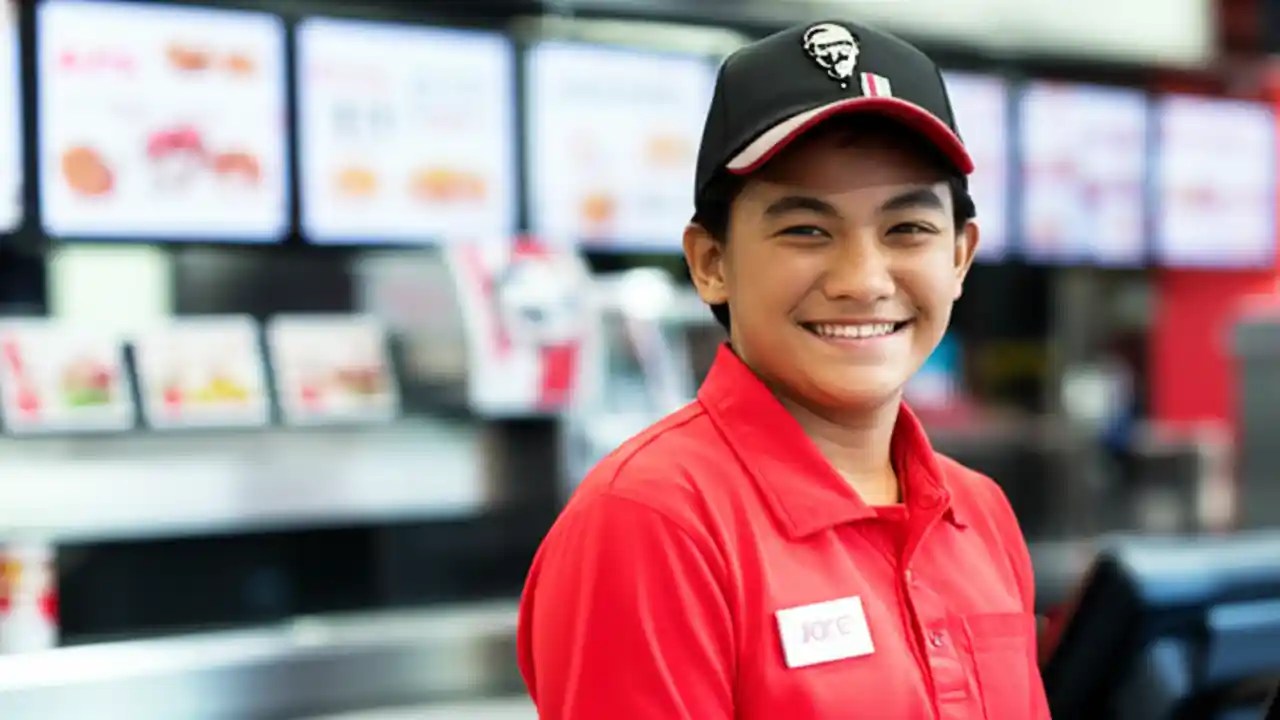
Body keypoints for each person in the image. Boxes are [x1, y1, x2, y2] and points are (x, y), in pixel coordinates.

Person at [517, 18, 1051, 720]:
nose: (862, 280)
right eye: (806, 229)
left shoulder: (978, 514)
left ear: (959, 257)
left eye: (907, 229)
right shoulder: (654, 524)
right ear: (711, 263)